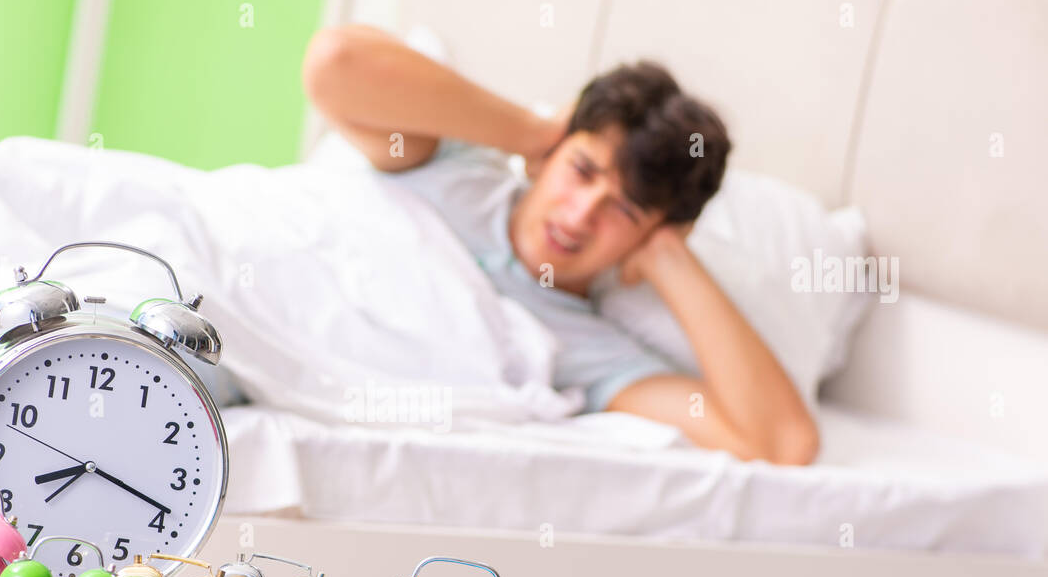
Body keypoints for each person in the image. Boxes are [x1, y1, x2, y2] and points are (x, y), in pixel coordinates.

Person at [302, 25, 819, 465]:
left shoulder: (584, 349)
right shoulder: (446, 165)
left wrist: (669, 256)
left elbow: (784, 442)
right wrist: (532, 132)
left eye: (625, 210)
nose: (579, 216)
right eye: (582, 170)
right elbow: (334, 63)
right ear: (553, 153)